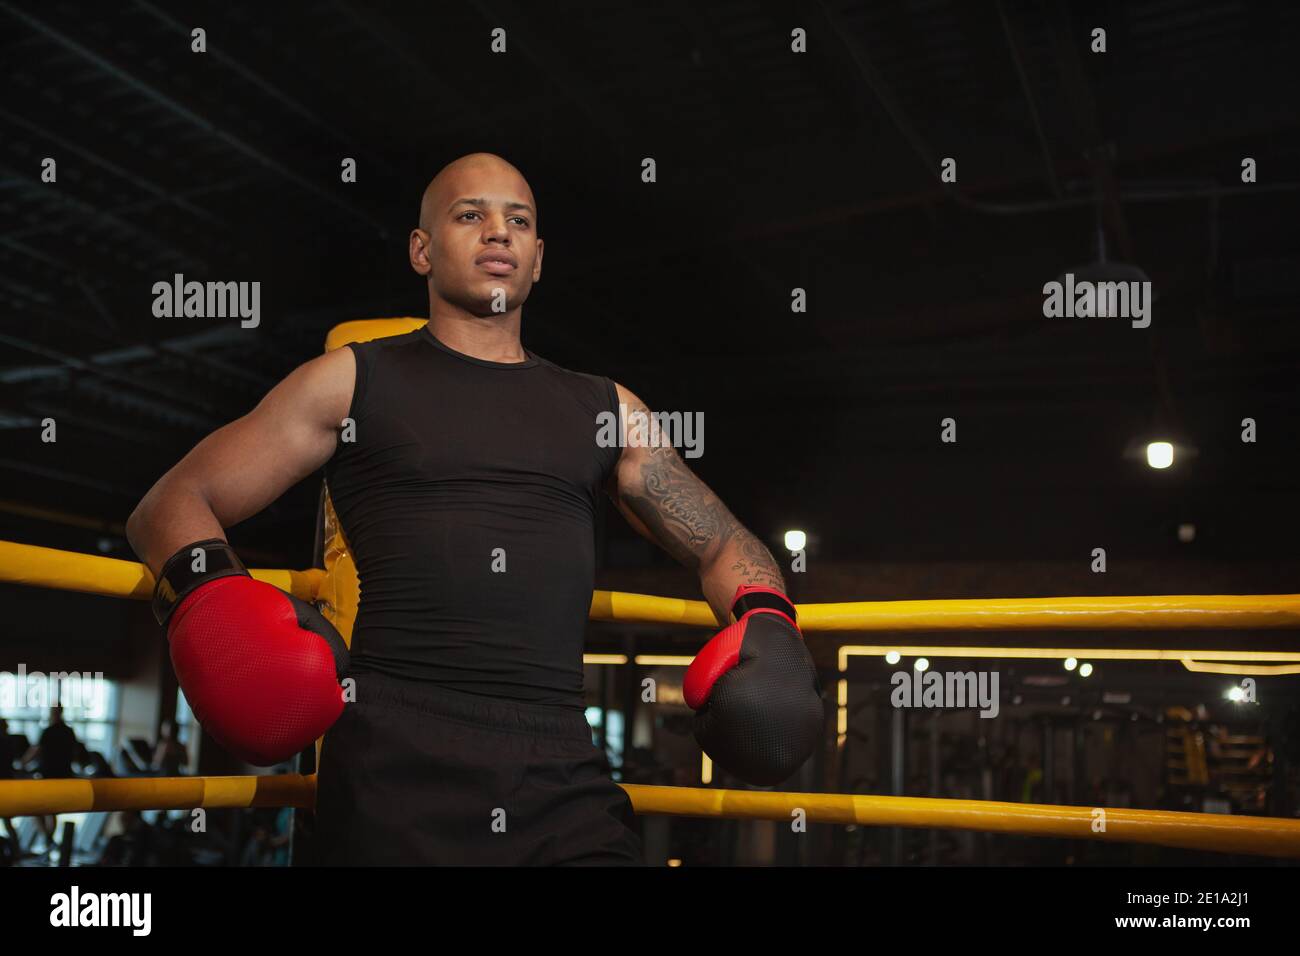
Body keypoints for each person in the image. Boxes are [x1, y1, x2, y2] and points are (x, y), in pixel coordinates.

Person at [125, 152, 822, 865]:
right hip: (391, 773)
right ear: (421, 250)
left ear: (539, 258)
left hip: (560, 776)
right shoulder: (352, 381)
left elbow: (720, 541)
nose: (499, 232)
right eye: (471, 215)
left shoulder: (607, 409)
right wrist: (216, 606)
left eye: (518, 221)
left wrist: (766, 619)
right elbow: (170, 503)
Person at [19, 706, 81, 854]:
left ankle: (47, 839)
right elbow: (76, 752)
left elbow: (36, 750)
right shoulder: (68, 731)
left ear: (56, 714)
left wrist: (22, 762)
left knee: (41, 809)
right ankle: (48, 840)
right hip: (63, 775)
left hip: (48, 774)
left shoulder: (49, 731)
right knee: (50, 810)